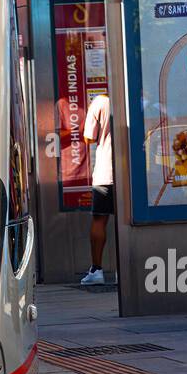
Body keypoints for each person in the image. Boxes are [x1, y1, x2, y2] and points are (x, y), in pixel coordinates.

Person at [81, 92, 113, 286]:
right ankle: (127, 269)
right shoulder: (137, 92)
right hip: (133, 174)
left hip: (106, 171)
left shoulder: (100, 101)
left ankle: (97, 269)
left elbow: (88, 138)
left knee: (100, 219)